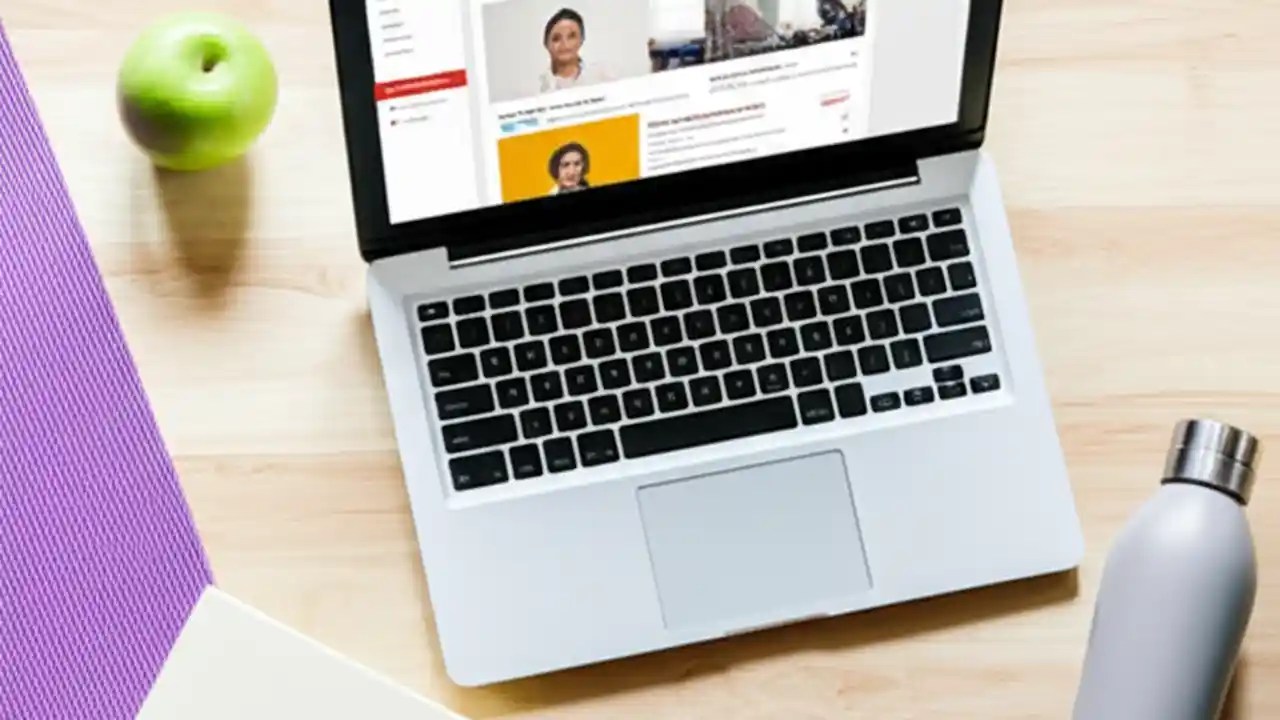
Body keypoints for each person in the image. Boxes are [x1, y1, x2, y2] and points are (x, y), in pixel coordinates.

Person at [537, 8, 609, 93]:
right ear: (546, 43)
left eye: (571, 36)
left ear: (581, 40)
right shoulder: (537, 88)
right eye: (556, 39)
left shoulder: (603, 79)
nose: (565, 44)